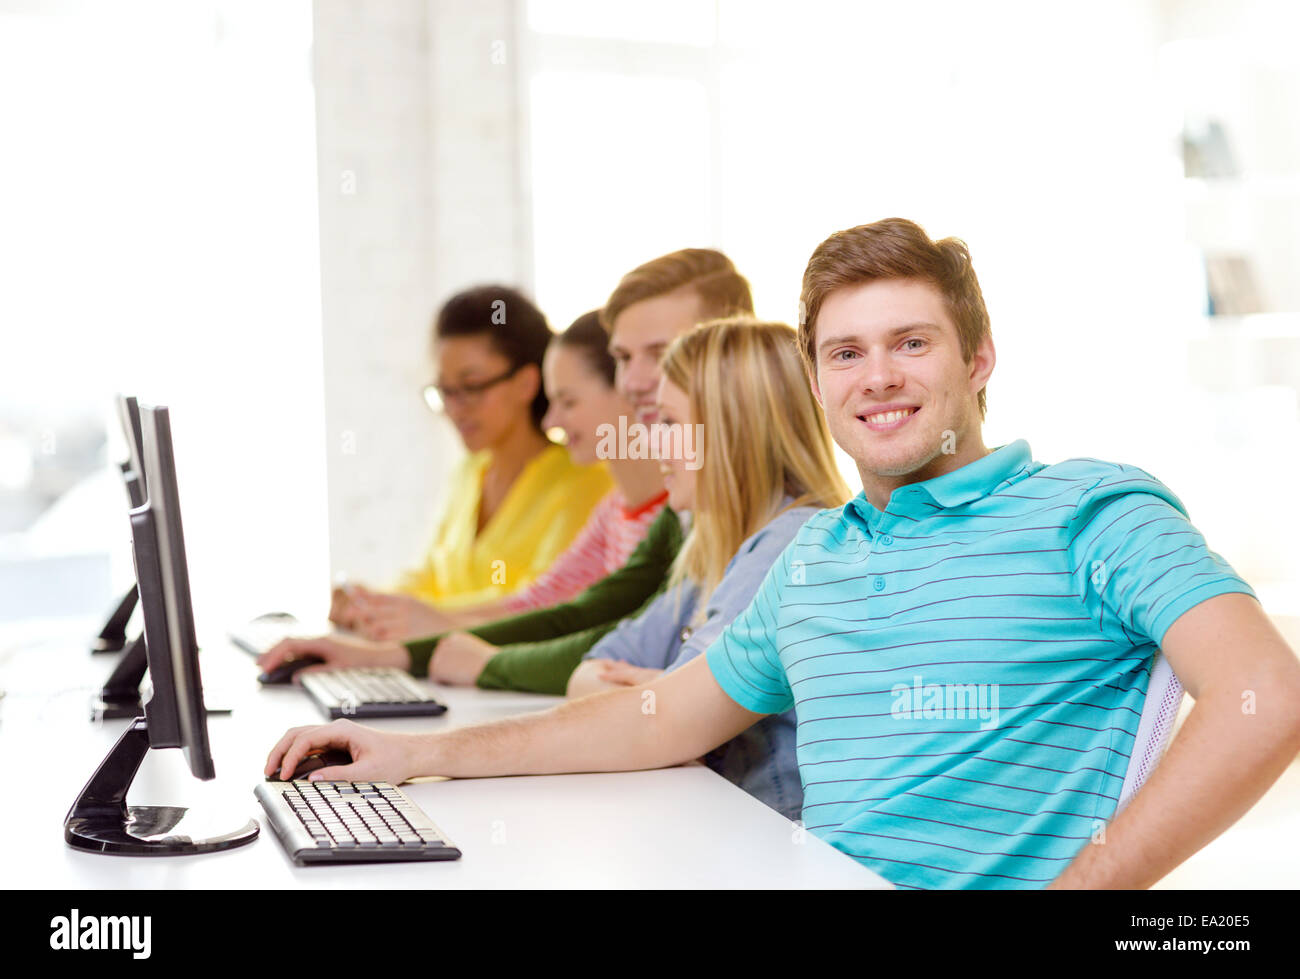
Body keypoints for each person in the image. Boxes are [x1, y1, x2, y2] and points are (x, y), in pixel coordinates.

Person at [267, 217, 1300, 890]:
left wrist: (1090, 887)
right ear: (815, 381)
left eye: (912, 342)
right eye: (845, 352)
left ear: (978, 360)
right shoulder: (817, 556)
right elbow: (653, 720)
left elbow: (1266, 695)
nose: (877, 377)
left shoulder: (1087, 508)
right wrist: (418, 756)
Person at [262, 249, 755, 693]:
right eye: (624, 357)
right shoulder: (680, 509)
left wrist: (467, 656)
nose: (639, 381)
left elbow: (605, 639)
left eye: (663, 352)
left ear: (734, 349)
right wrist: (390, 646)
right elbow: (591, 615)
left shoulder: (756, 519)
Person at [343, 311, 668, 641]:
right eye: (446, 391)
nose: (551, 422)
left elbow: (579, 623)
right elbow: (547, 602)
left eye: (471, 386)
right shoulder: (612, 510)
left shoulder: (600, 488)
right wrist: (379, 609)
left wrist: (441, 630)